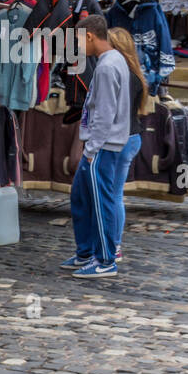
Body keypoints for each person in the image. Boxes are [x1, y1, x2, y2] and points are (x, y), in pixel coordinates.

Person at [62, 14, 132, 277]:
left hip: (104, 146)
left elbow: (104, 113)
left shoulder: (106, 67)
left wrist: (91, 149)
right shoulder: (112, 62)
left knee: (100, 203)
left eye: (79, 40)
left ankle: (104, 260)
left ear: (89, 36)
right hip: (102, 144)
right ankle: (87, 252)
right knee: (82, 197)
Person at [106, 27, 150, 259]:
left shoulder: (119, 73)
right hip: (132, 137)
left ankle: (113, 245)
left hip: (121, 139)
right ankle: (113, 244)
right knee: (114, 194)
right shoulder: (135, 74)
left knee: (112, 194)